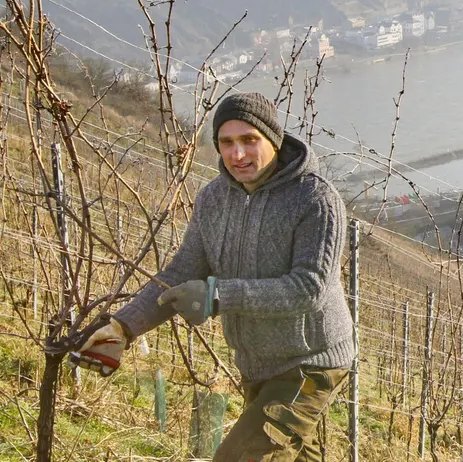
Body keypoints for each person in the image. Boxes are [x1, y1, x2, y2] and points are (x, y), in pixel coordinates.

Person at [72, 92, 356, 461]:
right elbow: (182, 271)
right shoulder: (213, 199)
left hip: (310, 363)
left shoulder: (315, 199)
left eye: (249, 140)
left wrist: (217, 295)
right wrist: (123, 328)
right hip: (255, 364)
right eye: (226, 142)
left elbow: (309, 288)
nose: (238, 154)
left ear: (273, 139)